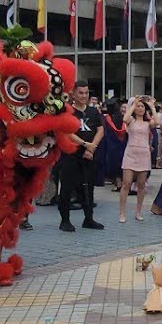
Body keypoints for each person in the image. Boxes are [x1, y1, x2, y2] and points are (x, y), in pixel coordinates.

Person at [57, 80, 104, 232]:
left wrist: (92, 148)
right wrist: (85, 144)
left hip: (89, 155)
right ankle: (65, 220)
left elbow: (100, 130)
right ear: (74, 93)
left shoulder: (93, 111)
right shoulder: (67, 111)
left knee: (88, 187)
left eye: (86, 93)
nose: (84, 96)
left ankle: (88, 218)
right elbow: (67, 132)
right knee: (67, 186)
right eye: (81, 93)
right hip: (71, 155)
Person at [119, 96, 155, 223]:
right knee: (126, 184)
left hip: (144, 155)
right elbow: (124, 118)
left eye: (142, 107)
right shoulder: (131, 120)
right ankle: (122, 212)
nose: (140, 109)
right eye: (138, 106)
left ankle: (138, 211)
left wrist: (151, 106)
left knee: (141, 185)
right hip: (130, 153)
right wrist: (133, 104)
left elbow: (156, 122)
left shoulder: (147, 123)